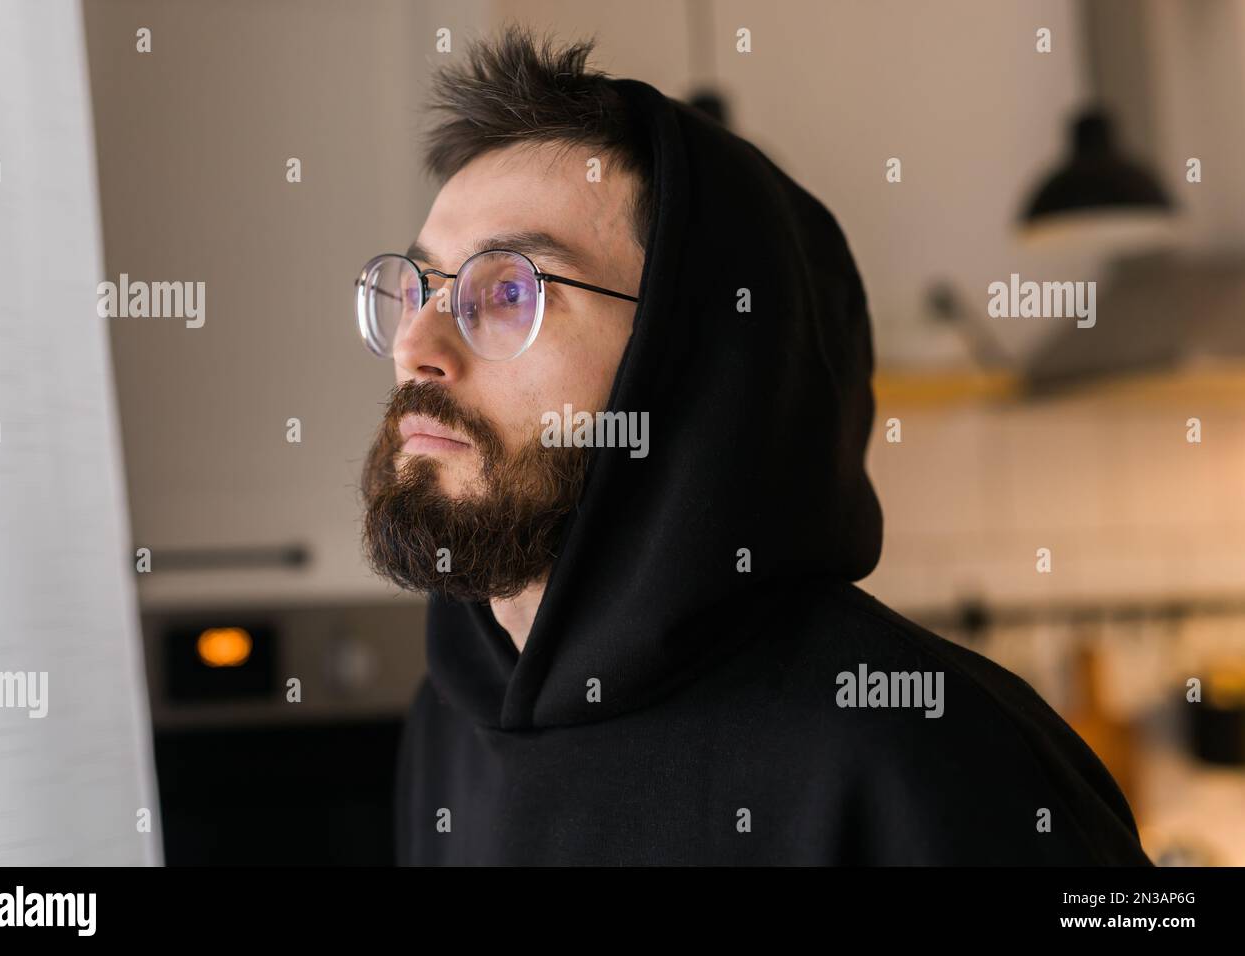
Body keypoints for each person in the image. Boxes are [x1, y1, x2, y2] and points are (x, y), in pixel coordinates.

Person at [357, 26, 1152, 865]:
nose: (417, 343)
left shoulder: (928, 752)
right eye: (419, 287)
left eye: (509, 289)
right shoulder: (446, 726)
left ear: (686, 357)